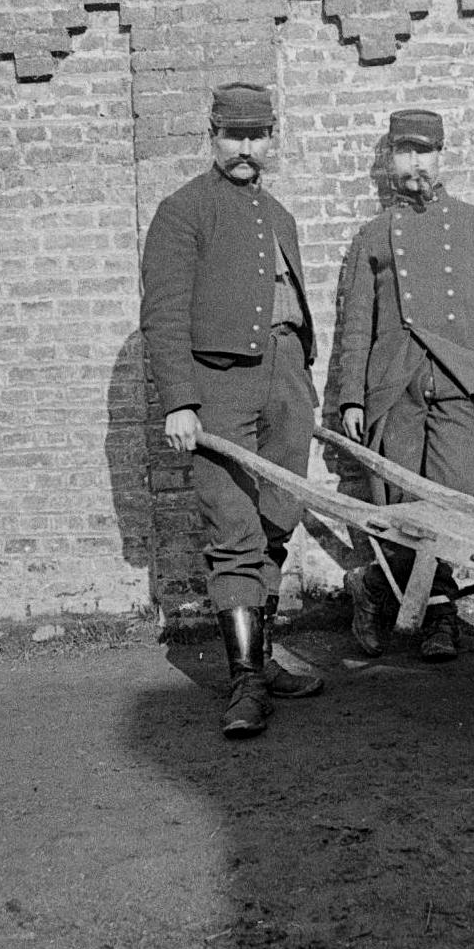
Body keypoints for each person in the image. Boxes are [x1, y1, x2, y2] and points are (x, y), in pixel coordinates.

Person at [140, 81, 324, 738]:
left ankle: (263, 660)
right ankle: (245, 682)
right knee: (234, 528)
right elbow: (164, 314)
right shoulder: (182, 211)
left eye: (257, 137)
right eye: (233, 136)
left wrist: (301, 380)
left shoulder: (279, 216)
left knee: (278, 517)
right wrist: (180, 402)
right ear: (212, 137)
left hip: (287, 380)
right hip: (220, 389)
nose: (246, 149)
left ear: (272, 139)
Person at [337, 109, 474, 662]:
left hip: (462, 385)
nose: (415, 164)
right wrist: (351, 396)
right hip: (395, 386)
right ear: (390, 162)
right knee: (402, 505)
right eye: (405, 152)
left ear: (441, 157)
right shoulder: (373, 236)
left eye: (424, 152)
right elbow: (356, 326)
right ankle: (439, 616)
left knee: (451, 500)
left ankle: (373, 585)